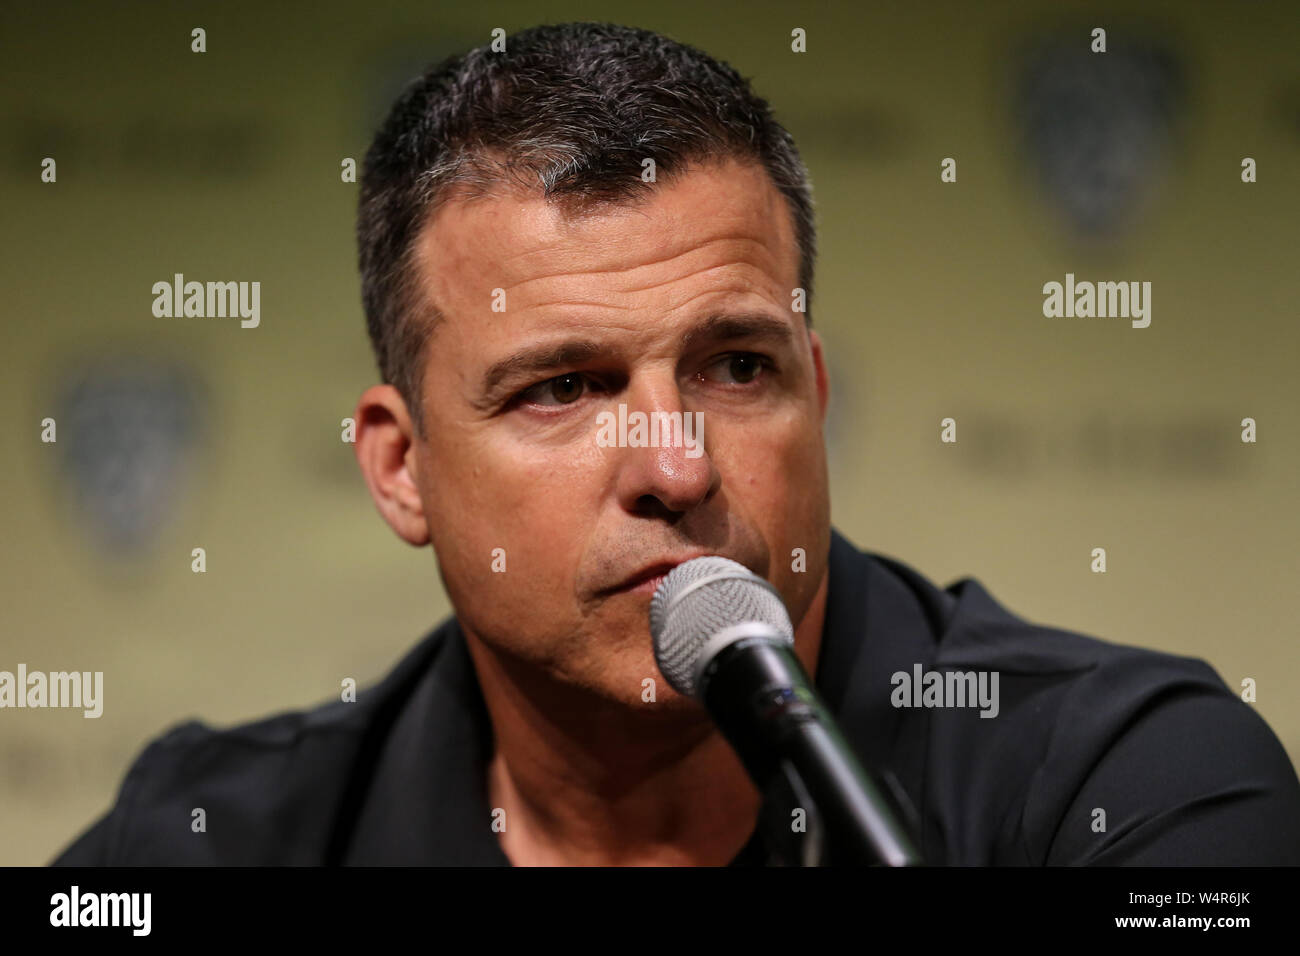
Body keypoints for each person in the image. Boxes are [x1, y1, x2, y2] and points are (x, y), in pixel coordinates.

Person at [53, 21, 1300, 866]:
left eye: (737, 368)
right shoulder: (210, 838)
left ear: (815, 393)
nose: (677, 466)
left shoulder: (1134, 783)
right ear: (400, 465)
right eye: (563, 387)